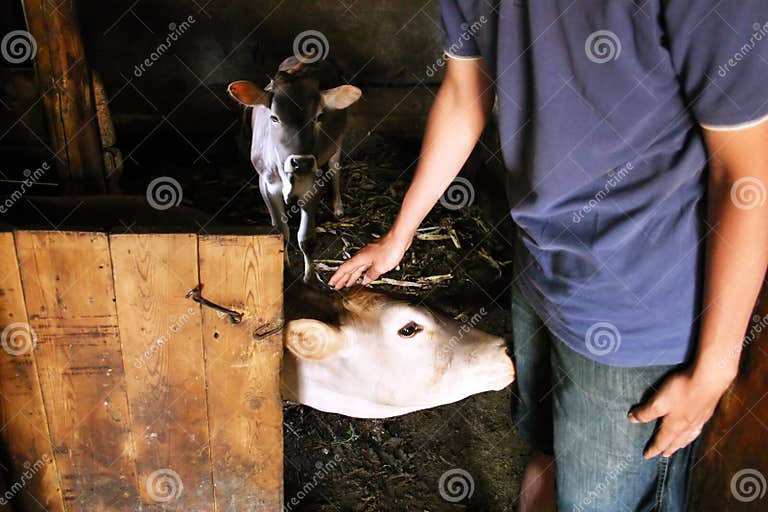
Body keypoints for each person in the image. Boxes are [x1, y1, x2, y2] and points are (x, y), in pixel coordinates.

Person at [330, 1, 768, 510]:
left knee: (602, 500)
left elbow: (747, 177)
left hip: (635, 300)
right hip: (539, 257)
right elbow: (464, 88)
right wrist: (400, 233)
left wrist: (715, 368)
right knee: (542, 444)